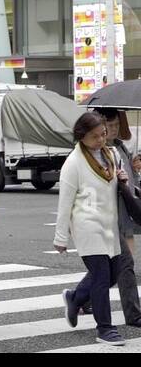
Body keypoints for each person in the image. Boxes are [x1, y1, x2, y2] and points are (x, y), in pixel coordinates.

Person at [54, 112, 134, 346]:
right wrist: (60, 236)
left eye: (103, 134)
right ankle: (105, 328)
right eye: (95, 136)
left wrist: (122, 179)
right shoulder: (73, 163)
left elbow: (114, 185)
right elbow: (65, 202)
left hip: (109, 224)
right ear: (82, 137)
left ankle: (75, 297)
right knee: (101, 276)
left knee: (110, 274)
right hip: (86, 225)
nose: (101, 140)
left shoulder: (111, 154)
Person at [93, 108, 141, 327]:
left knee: (116, 264)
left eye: (115, 125)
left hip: (126, 209)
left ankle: (80, 297)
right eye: (109, 126)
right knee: (124, 262)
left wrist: (133, 171)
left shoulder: (120, 147)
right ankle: (133, 313)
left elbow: (132, 179)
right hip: (111, 212)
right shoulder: (99, 151)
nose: (112, 130)